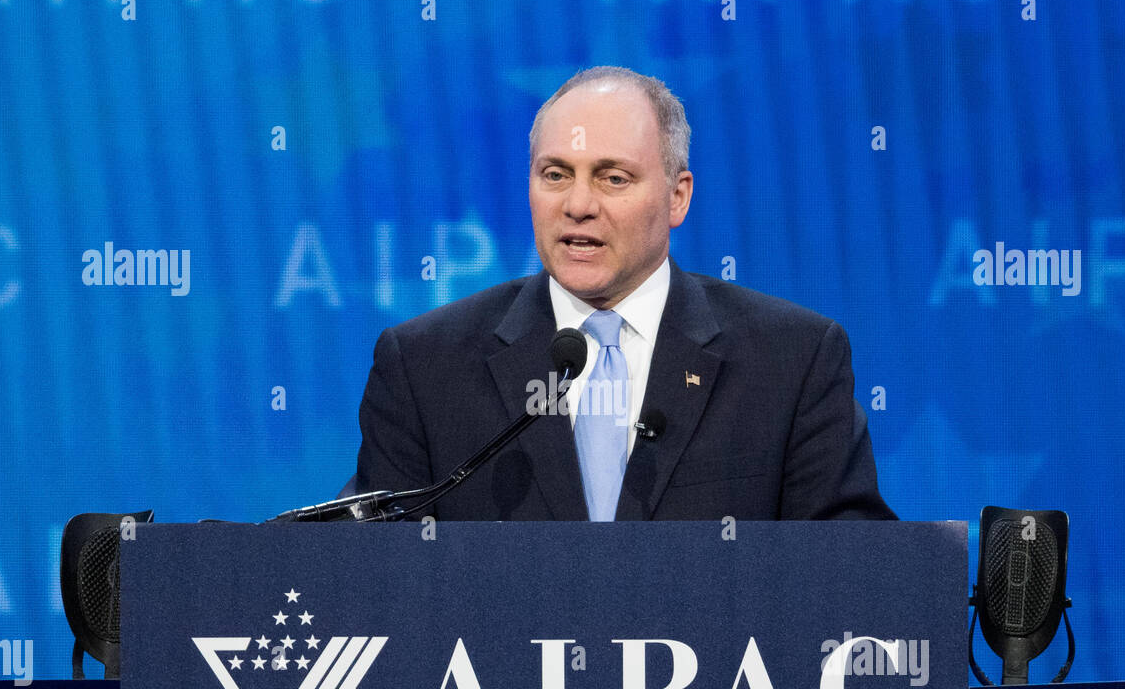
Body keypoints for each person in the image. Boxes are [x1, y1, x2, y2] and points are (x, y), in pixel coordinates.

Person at [350, 66, 895, 521]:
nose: (578, 204)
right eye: (556, 174)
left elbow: (852, 573)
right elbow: (376, 584)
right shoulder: (423, 367)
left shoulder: (792, 360)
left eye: (613, 178)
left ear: (678, 197)